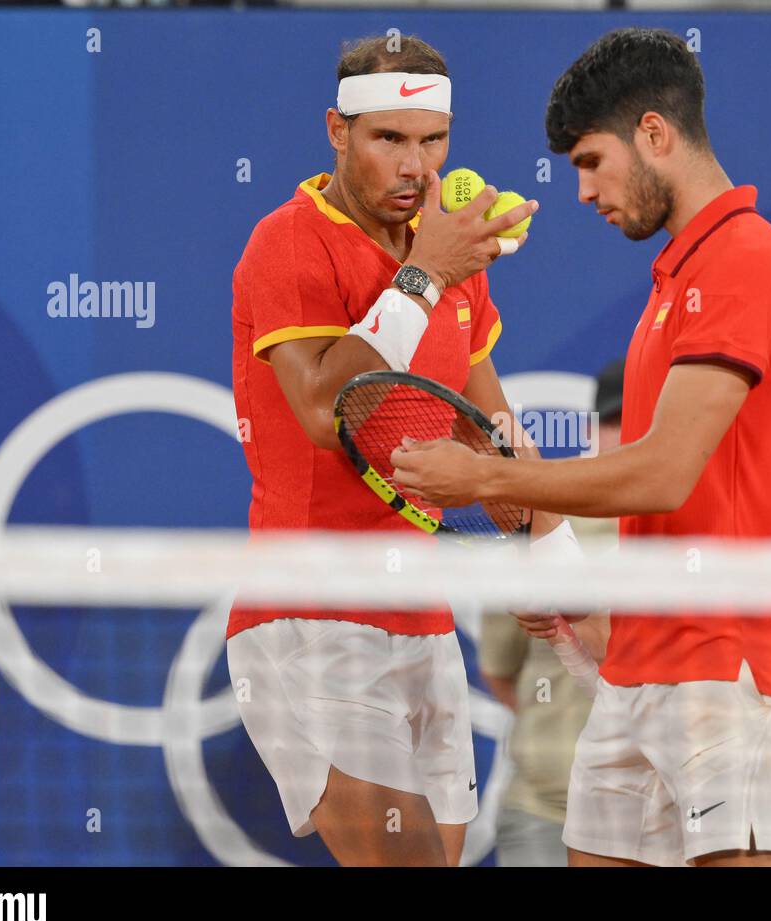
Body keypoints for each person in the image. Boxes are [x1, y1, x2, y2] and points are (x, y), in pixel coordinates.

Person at [392, 27, 771, 868]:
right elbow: (687, 503)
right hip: (640, 667)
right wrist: (606, 620)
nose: (582, 191)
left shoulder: (746, 263)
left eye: (592, 161)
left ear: (655, 134)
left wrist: (487, 474)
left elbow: (664, 473)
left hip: (735, 671)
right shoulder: (675, 280)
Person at [224, 33, 549, 867]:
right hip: (310, 618)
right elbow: (328, 407)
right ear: (337, 130)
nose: (415, 166)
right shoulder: (289, 243)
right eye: (389, 139)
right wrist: (424, 276)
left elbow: (497, 441)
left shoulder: (453, 252)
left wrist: (556, 571)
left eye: (432, 141)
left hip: (423, 627)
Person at [478, 358, 623, 867]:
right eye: (612, 421)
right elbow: (499, 673)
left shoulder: (692, 542)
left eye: (637, 423)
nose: (622, 435)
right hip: (544, 811)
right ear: (590, 429)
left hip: (655, 811)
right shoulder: (538, 533)